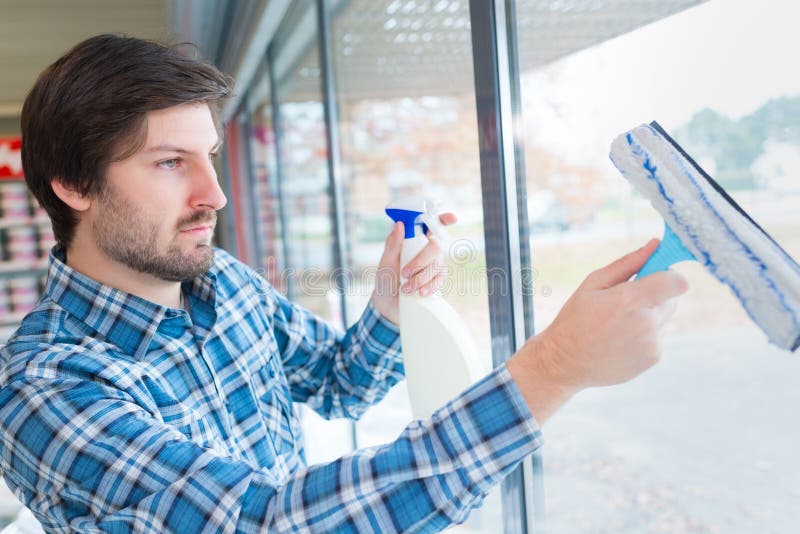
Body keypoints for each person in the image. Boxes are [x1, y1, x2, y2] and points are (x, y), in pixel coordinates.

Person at [0, 34, 688, 533]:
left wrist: (387, 308)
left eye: (207, 157)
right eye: (169, 163)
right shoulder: (45, 389)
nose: (214, 194)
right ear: (74, 186)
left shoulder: (224, 283)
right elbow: (265, 523)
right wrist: (555, 370)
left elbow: (338, 384)